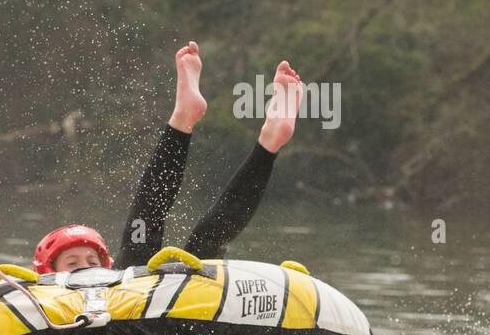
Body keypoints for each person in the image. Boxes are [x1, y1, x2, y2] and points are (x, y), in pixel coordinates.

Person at [33, 41, 303, 274]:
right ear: (48, 273)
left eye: (93, 261)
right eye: (73, 263)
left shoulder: (116, 279)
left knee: (152, 237)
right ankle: (266, 143)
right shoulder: (44, 305)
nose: (87, 268)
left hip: (136, 298)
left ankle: (253, 137)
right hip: (117, 312)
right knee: (200, 244)